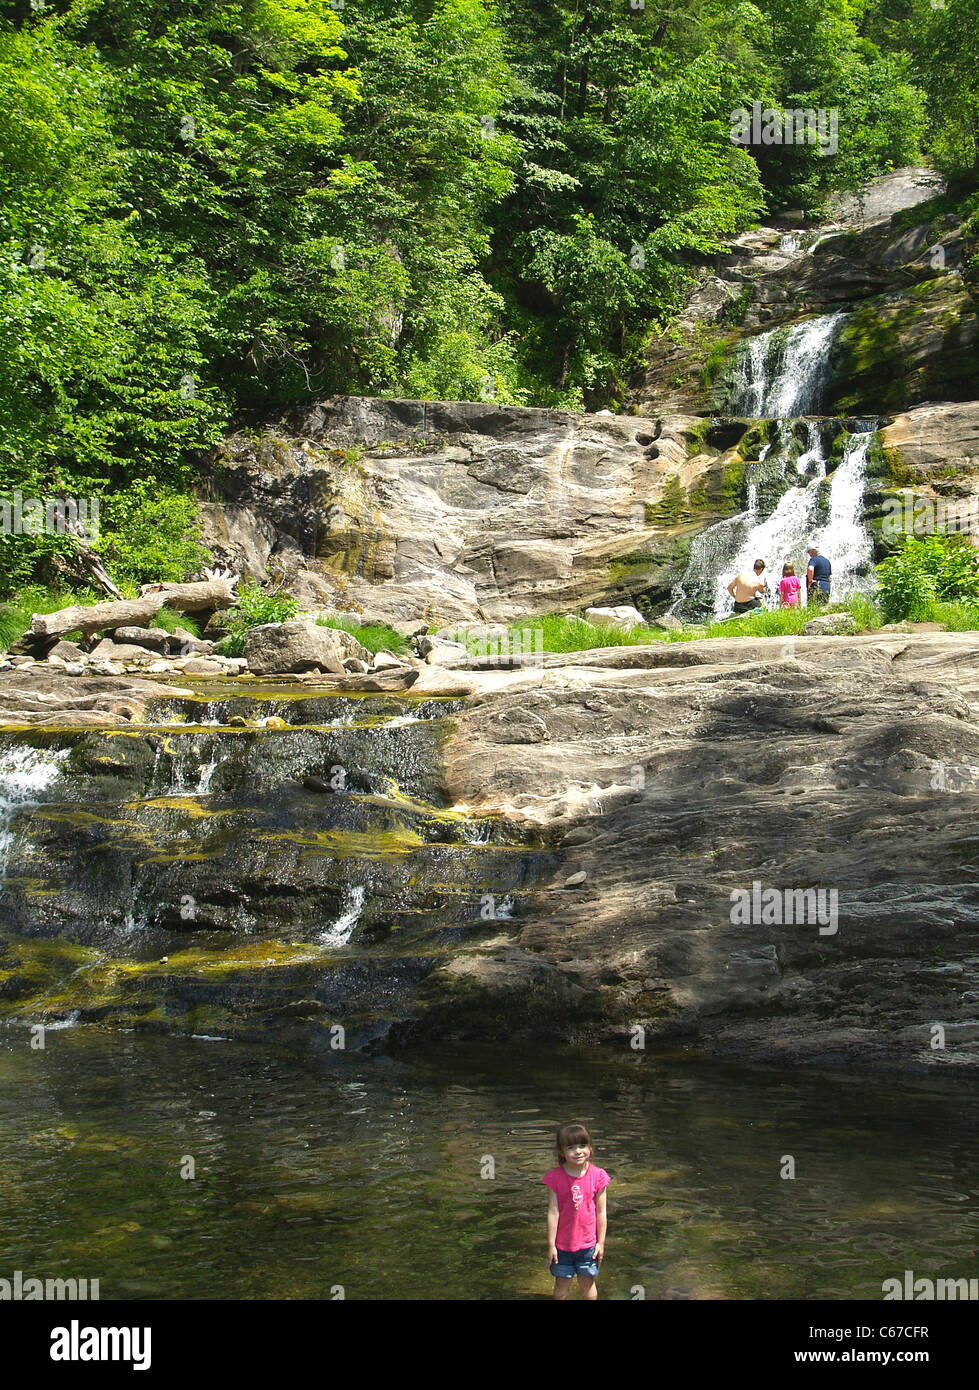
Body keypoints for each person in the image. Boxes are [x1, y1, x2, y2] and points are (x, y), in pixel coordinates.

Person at [543, 1122, 609, 1300]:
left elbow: (601, 1213)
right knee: (561, 1284)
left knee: (587, 1283)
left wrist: (600, 1243)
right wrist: (551, 1245)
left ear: (590, 1148)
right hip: (562, 1245)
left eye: (582, 1145)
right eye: (571, 1147)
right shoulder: (554, 1178)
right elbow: (553, 1212)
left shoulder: (598, 1176)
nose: (578, 1151)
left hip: (588, 1245)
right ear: (561, 1152)